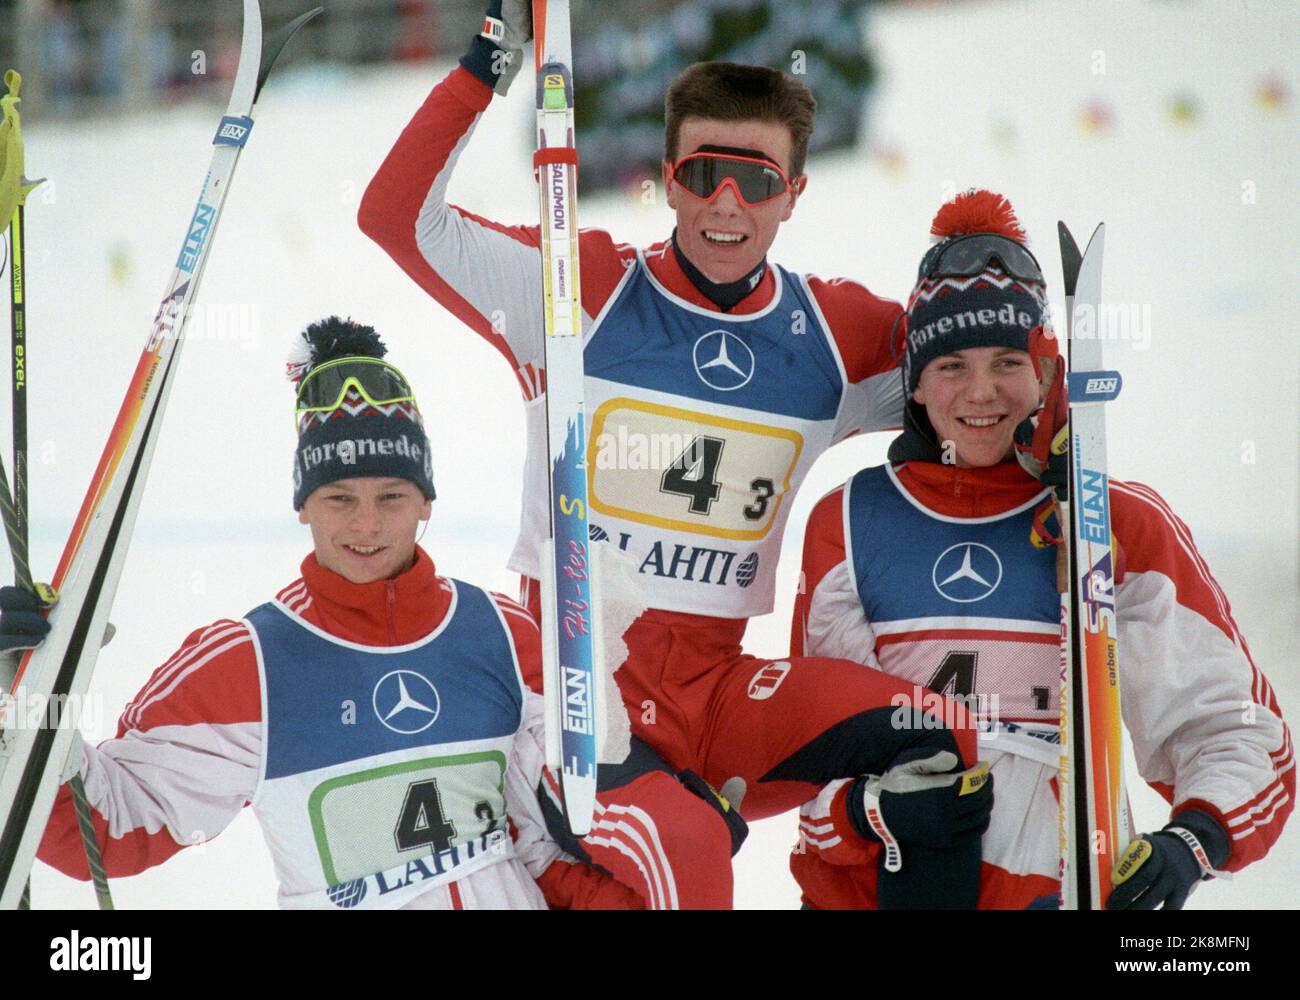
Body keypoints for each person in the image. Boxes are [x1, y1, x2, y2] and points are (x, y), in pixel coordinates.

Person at [359, 1, 990, 908]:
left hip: (720, 691)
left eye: (755, 180)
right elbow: (397, 217)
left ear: (794, 194)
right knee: (692, 850)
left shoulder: (832, 337)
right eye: (703, 174)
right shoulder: (580, 295)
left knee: (937, 739)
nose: (726, 204)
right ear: (669, 179)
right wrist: (489, 60)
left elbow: (975, 381)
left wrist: (1003, 295)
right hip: (576, 692)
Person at [6, 317, 645, 909]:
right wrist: (21, 699)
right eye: (338, 498)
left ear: (427, 501)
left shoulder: (502, 633)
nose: (366, 524)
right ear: (303, 506)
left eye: (392, 496)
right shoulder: (247, 664)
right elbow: (114, 828)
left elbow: (563, 825)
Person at [789, 190, 1293, 909]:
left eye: (1006, 362)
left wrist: (1193, 843)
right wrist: (876, 814)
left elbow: (1233, 731)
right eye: (952, 366)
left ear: (1049, 374)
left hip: (1058, 891)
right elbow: (811, 771)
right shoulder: (848, 521)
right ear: (918, 387)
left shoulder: (1117, 523)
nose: (982, 392)